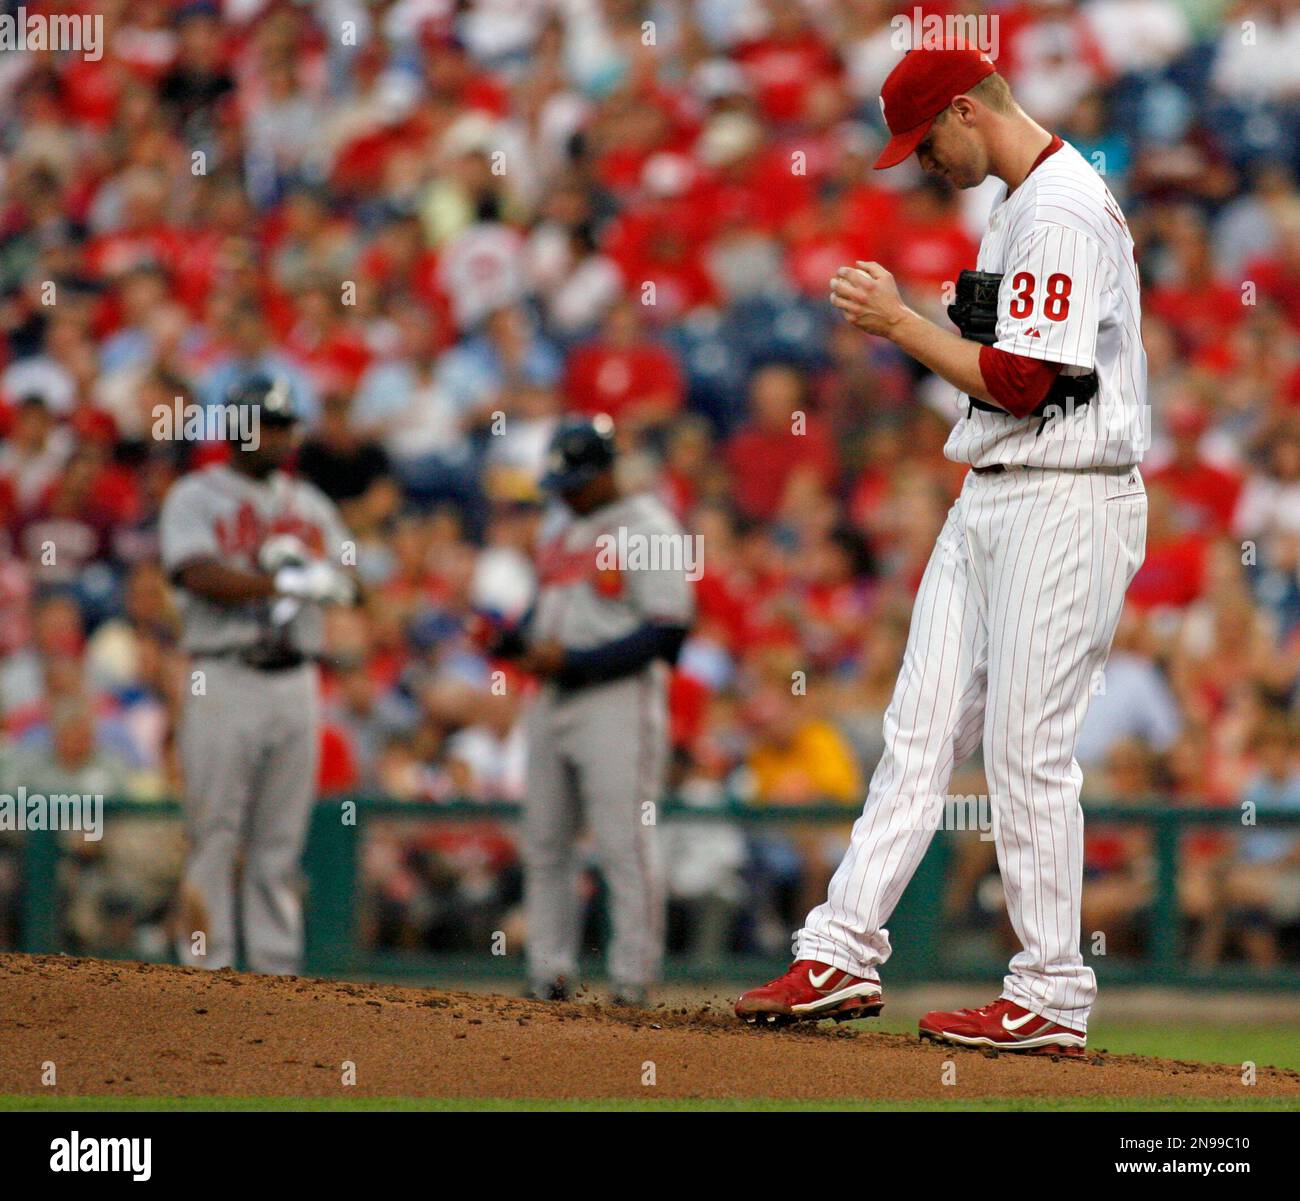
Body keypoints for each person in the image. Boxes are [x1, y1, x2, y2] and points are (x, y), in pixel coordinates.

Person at [735, 47, 1149, 1056]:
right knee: (916, 730)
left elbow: (1022, 382)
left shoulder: (1054, 208)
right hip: (994, 492)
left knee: (1024, 753)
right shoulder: (1016, 203)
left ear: (966, 111)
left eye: (926, 143)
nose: (922, 164)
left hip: (1064, 495)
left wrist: (899, 326)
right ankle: (839, 949)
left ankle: (1050, 991)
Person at [159, 375, 358, 974]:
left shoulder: (311, 504)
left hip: (297, 678)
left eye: (285, 424)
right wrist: (281, 582)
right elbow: (194, 573)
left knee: (280, 841)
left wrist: (334, 577)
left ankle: (276, 975)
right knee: (213, 832)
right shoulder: (196, 495)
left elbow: (354, 578)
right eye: (267, 424)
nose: (279, 436)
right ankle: (204, 972)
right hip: (224, 673)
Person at [513, 415, 694, 1005]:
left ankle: (631, 982)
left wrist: (573, 663)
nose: (568, 493)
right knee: (545, 842)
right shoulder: (559, 529)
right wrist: (509, 639)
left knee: (624, 842)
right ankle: (550, 976)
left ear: (608, 470)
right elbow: (546, 614)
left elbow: (668, 635)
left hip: (617, 699)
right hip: (550, 698)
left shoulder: (649, 526)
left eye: (579, 480)